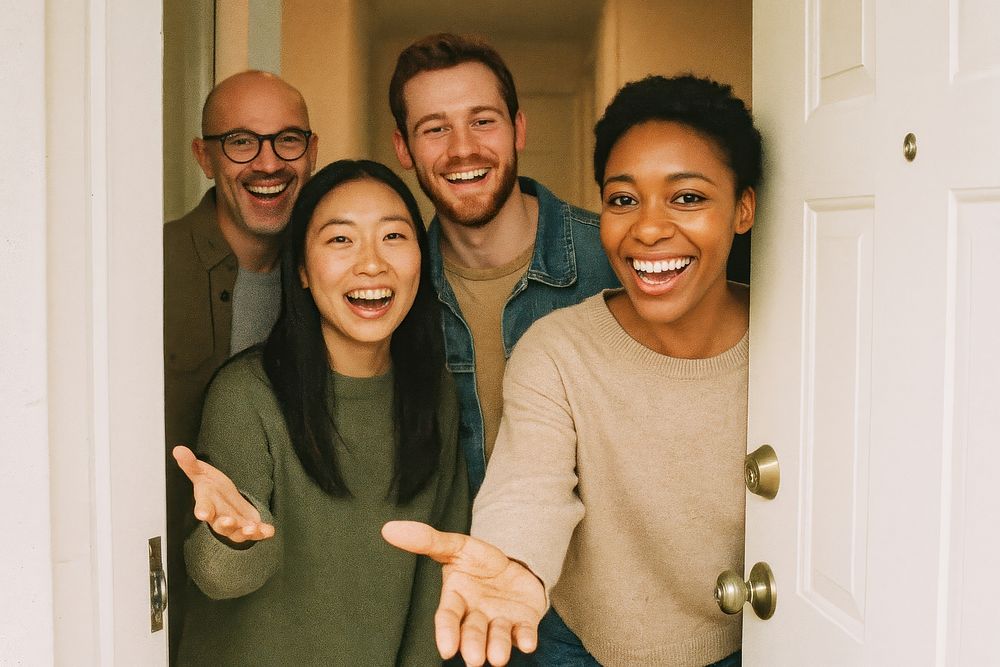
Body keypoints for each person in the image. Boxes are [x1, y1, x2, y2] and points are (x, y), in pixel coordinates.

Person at [383, 74, 760, 667]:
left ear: (743, 208)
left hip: (757, 641)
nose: (649, 228)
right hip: (581, 646)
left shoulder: (797, 347)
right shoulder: (556, 349)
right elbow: (528, 485)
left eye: (687, 198)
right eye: (623, 199)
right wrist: (512, 560)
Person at [172, 159, 469, 665]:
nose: (371, 264)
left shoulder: (432, 392)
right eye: (340, 240)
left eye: (393, 236)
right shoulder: (248, 393)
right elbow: (218, 580)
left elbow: (437, 583)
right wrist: (232, 536)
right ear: (303, 271)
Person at [389, 35, 618, 661]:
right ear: (404, 148)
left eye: (482, 121)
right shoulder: (391, 290)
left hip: (606, 621)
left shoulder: (616, 258)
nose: (462, 148)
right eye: (435, 128)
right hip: (474, 610)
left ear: (518, 128)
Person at [162, 70, 318, 657]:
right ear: (204, 157)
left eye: (287, 140)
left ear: (311, 151)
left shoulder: (333, 275)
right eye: (241, 142)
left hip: (284, 594)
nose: (268, 162)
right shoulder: (149, 265)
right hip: (164, 595)